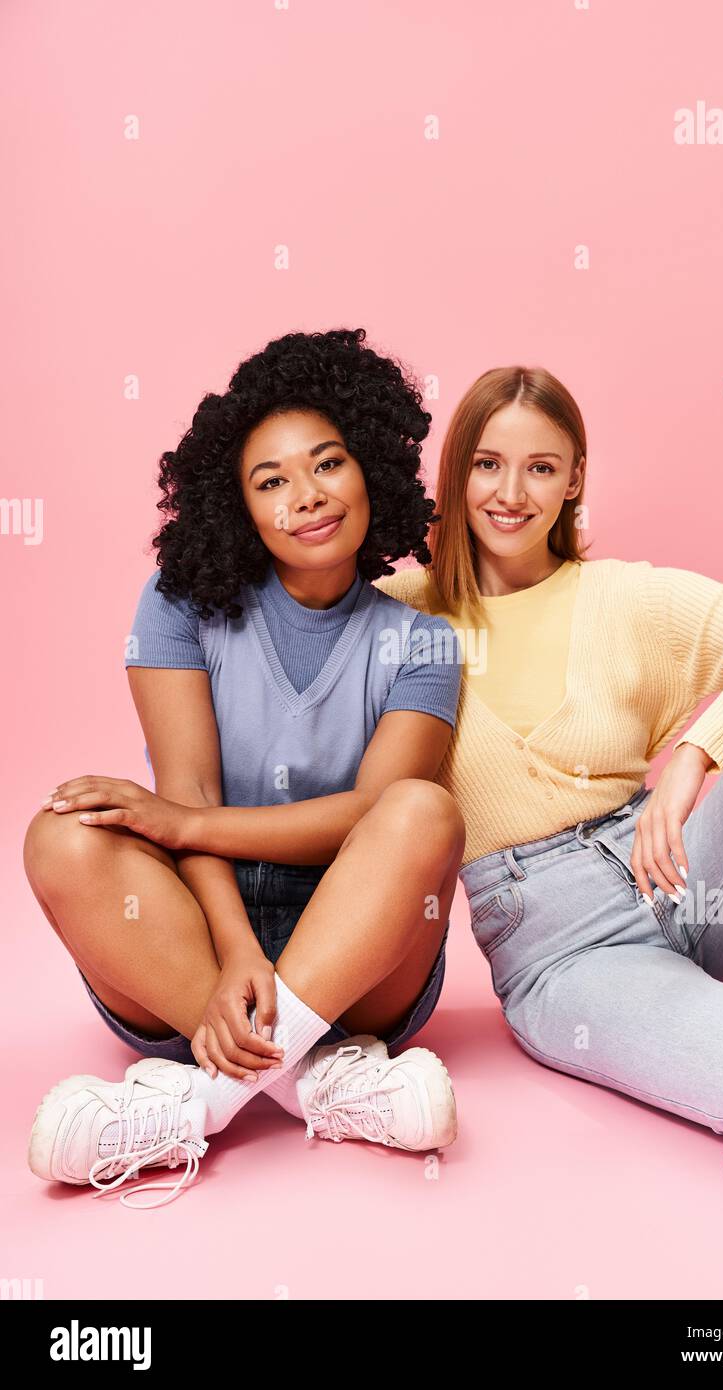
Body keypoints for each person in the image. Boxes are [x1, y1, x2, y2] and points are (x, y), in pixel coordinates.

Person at [23, 328, 465, 1208]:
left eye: (328, 463)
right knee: (60, 837)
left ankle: (195, 1105)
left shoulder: (424, 643)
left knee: (424, 810)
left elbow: (367, 811)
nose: (307, 496)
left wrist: (187, 823)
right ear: (241, 509)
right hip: (190, 939)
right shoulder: (178, 604)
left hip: (359, 953)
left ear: (371, 469)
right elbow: (184, 789)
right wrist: (231, 951)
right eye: (271, 482)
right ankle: (323, 1081)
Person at [375, 363, 723, 1148]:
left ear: (574, 479)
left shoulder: (621, 596)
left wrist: (695, 757)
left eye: (541, 468)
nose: (511, 493)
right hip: (567, 950)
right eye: (488, 464)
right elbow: (273, 617)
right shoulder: (397, 615)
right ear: (456, 471)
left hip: (682, 871)